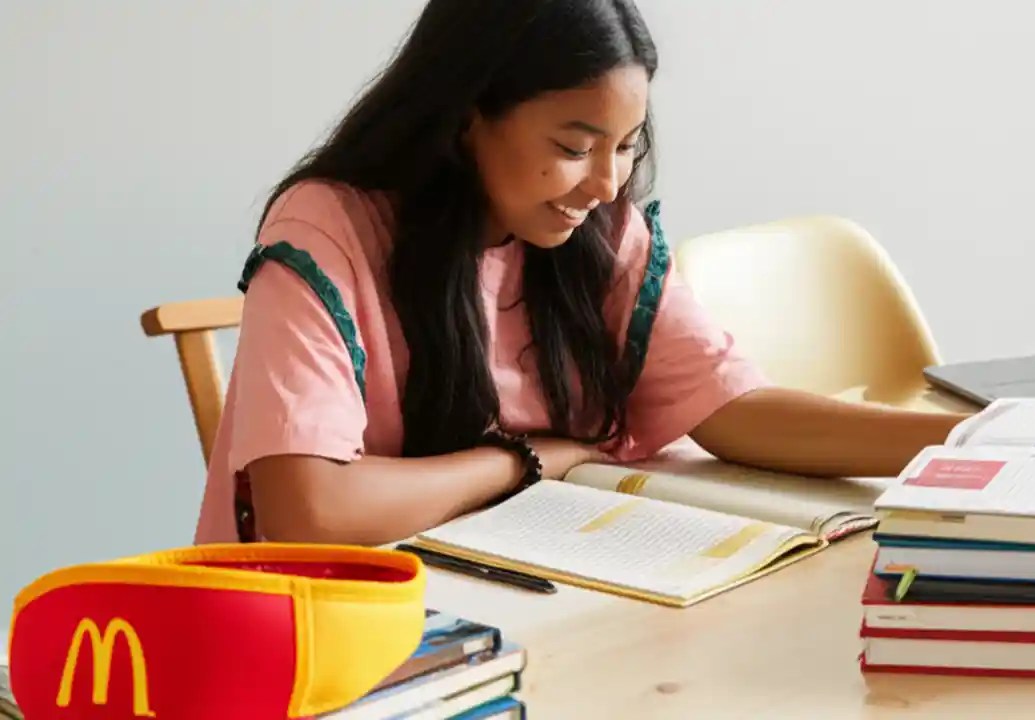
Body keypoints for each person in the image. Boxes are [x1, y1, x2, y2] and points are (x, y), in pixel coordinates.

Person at [194, 0, 967, 547]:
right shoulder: (326, 229)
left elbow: (736, 409)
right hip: (322, 643)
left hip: (524, 598)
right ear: (467, 118)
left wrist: (975, 440)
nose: (606, 183)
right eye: (573, 147)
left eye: (628, 144)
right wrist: (524, 461)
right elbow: (309, 511)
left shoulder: (596, 235)